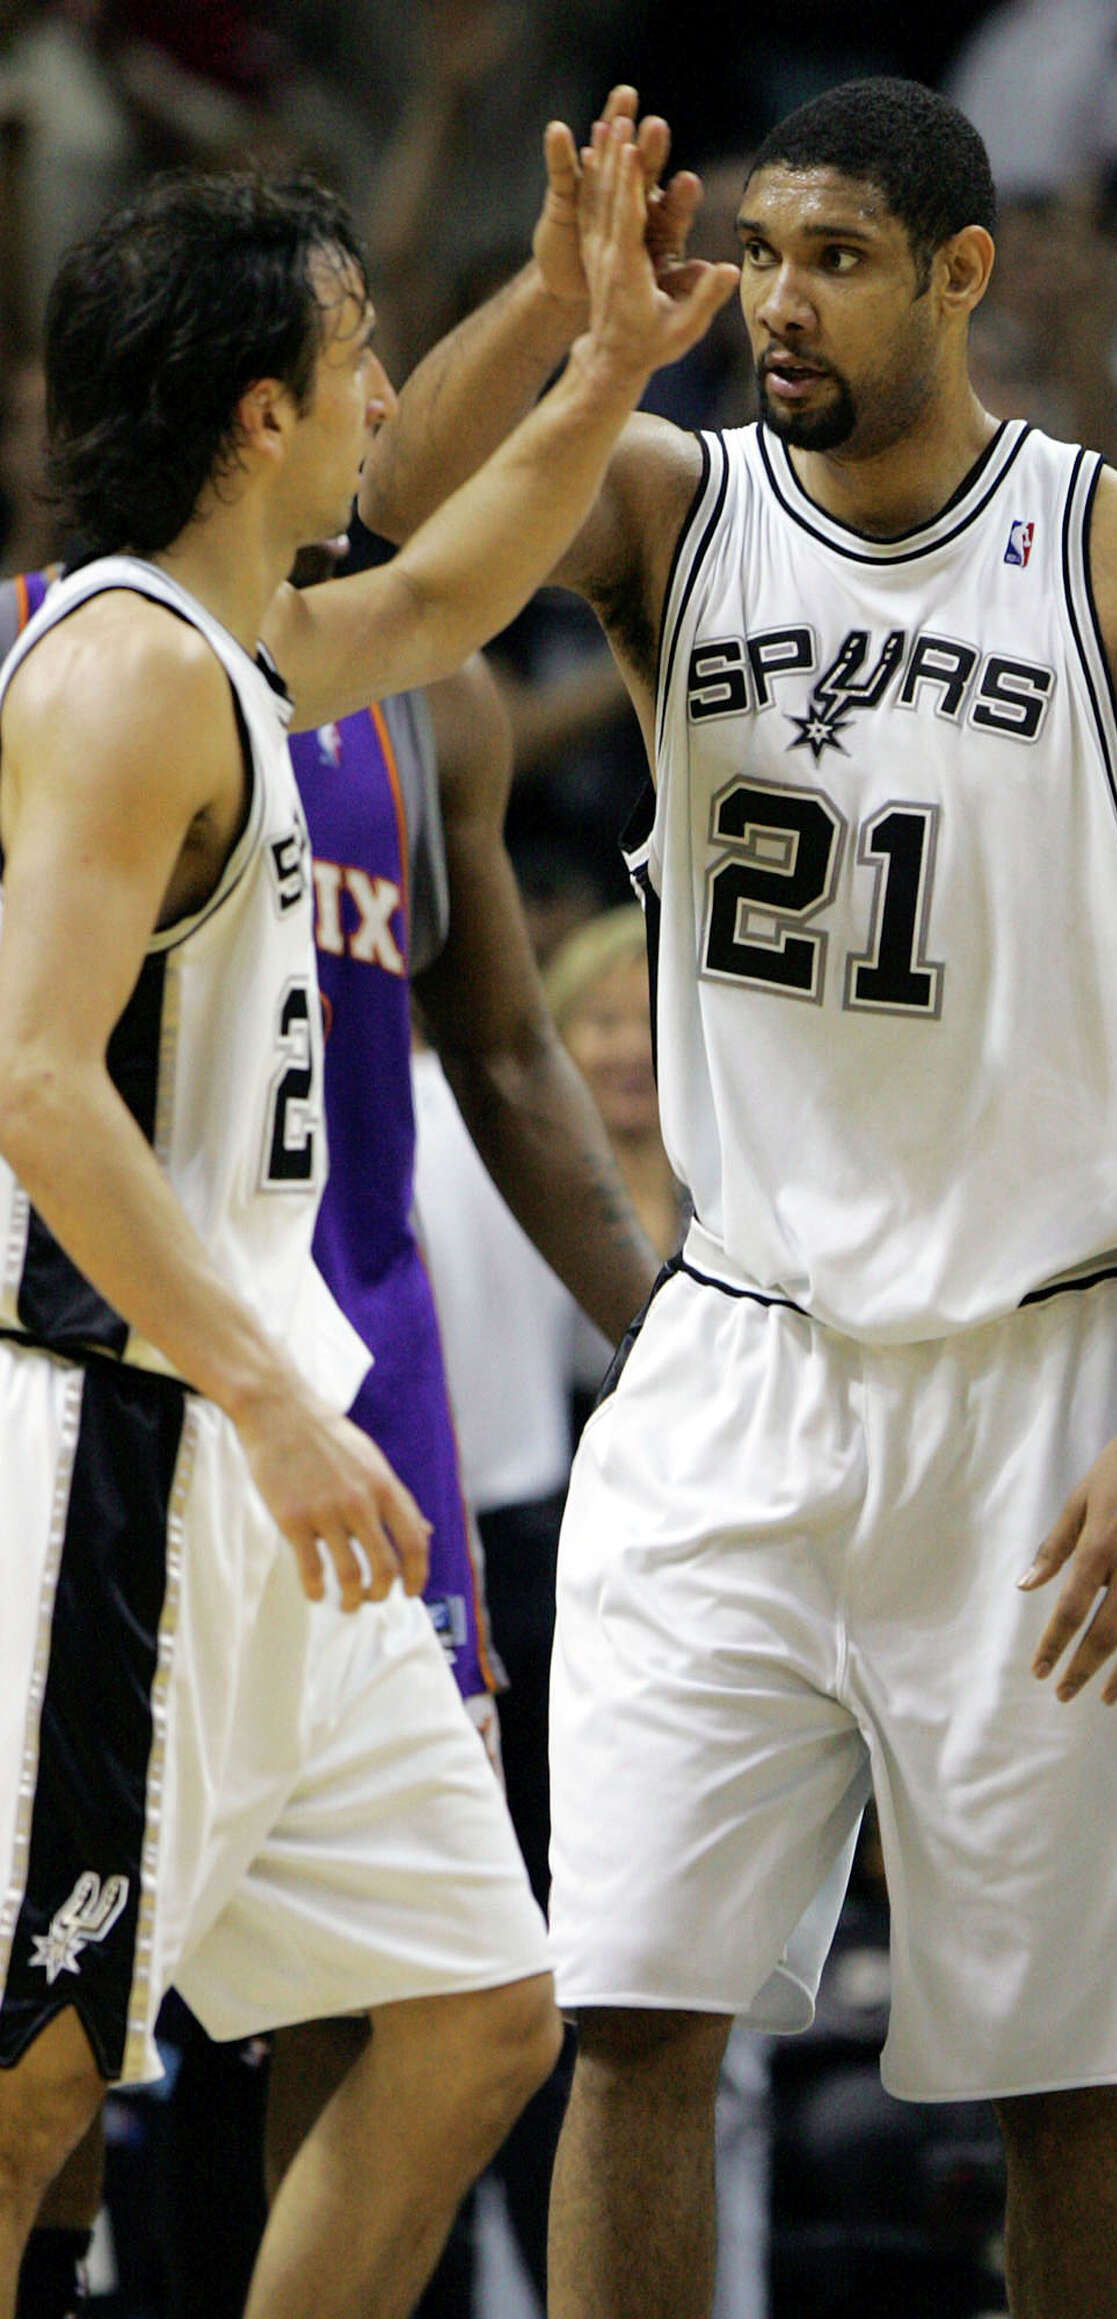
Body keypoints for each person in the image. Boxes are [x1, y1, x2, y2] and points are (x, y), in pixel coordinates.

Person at [360, 75, 1117, 2319]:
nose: (777, 302)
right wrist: (566, 303)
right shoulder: (673, 504)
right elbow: (388, 512)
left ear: (961, 277)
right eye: (762, 252)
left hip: (1057, 1376)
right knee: (625, 2015)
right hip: (743, 1362)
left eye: (835, 260)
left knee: (1070, 2079)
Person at [0, 133, 736, 2319]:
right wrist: (262, 1385)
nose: (394, 396)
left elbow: (445, 591)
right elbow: (36, 1077)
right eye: (362, 358)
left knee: (471, 2012)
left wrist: (606, 363)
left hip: (267, 1457)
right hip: (129, 1434)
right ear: (260, 412)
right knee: (33, 2083)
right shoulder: (124, 672)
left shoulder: (253, 644)